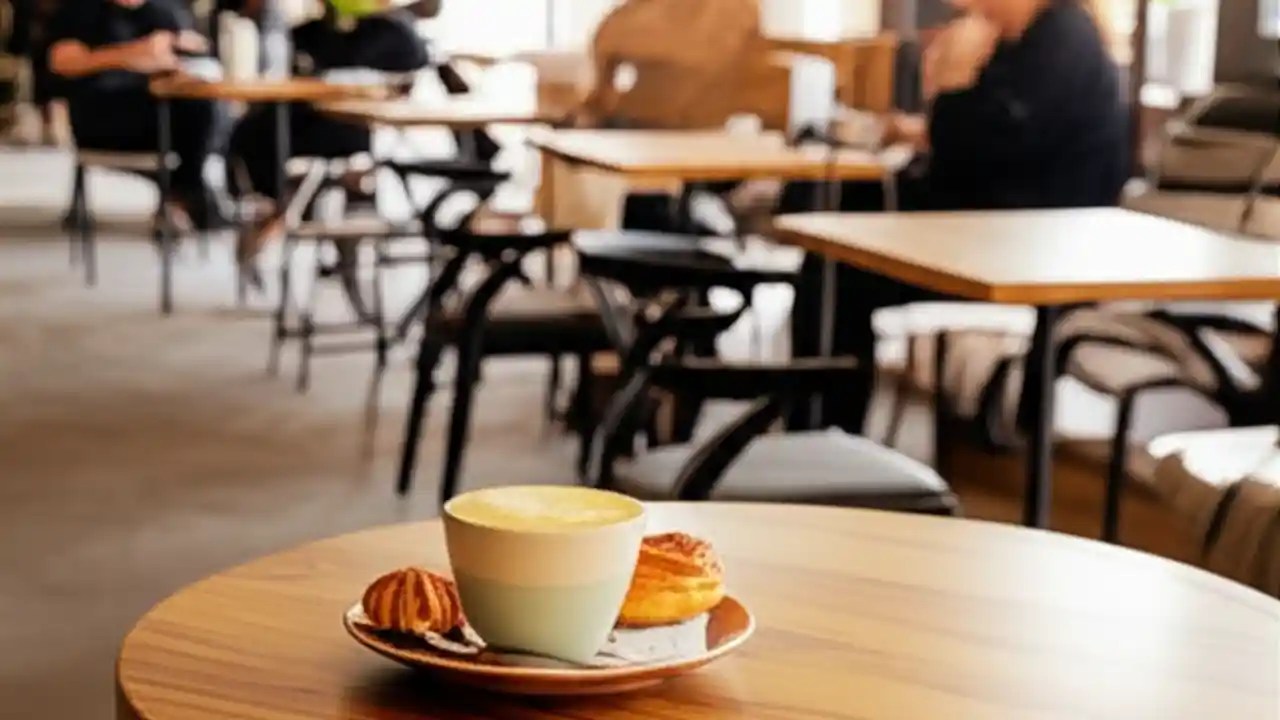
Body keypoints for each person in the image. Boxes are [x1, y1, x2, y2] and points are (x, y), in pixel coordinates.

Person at [787, 0, 1128, 434]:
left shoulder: (1063, 35)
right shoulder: (1025, 40)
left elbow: (985, 144)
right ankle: (820, 431)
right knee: (839, 232)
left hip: (1030, 247)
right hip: (998, 233)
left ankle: (822, 434)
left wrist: (950, 83)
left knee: (837, 271)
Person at [222, 0, 430, 287]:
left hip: (347, 134)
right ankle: (275, 209)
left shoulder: (390, 34)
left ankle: (272, 210)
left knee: (255, 133)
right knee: (255, 131)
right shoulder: (314, 32)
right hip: (331, 135)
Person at [46, 0, 228, 227]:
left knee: (212, 110)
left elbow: (189, 54)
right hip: (100, 115)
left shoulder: (165, 11)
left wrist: (181, 62)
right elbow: (60, 61)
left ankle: (186, 190)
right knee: (197, 115)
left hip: (160, 112)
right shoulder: (83, 10)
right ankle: (187, 194)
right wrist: (131, 55)